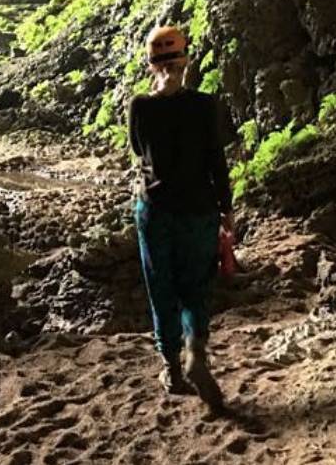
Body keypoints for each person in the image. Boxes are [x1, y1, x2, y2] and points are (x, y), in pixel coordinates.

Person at [128, 24, 235, 400]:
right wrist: (227, 210)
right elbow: (216, 161)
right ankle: (196, 351)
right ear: (185, 60)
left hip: (155, 209)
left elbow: (140, 151)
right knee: (196, 287)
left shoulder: (140, 106)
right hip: (199, 209)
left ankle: (172, 369)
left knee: (162, 289)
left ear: (150, 63)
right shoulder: (205, 105)